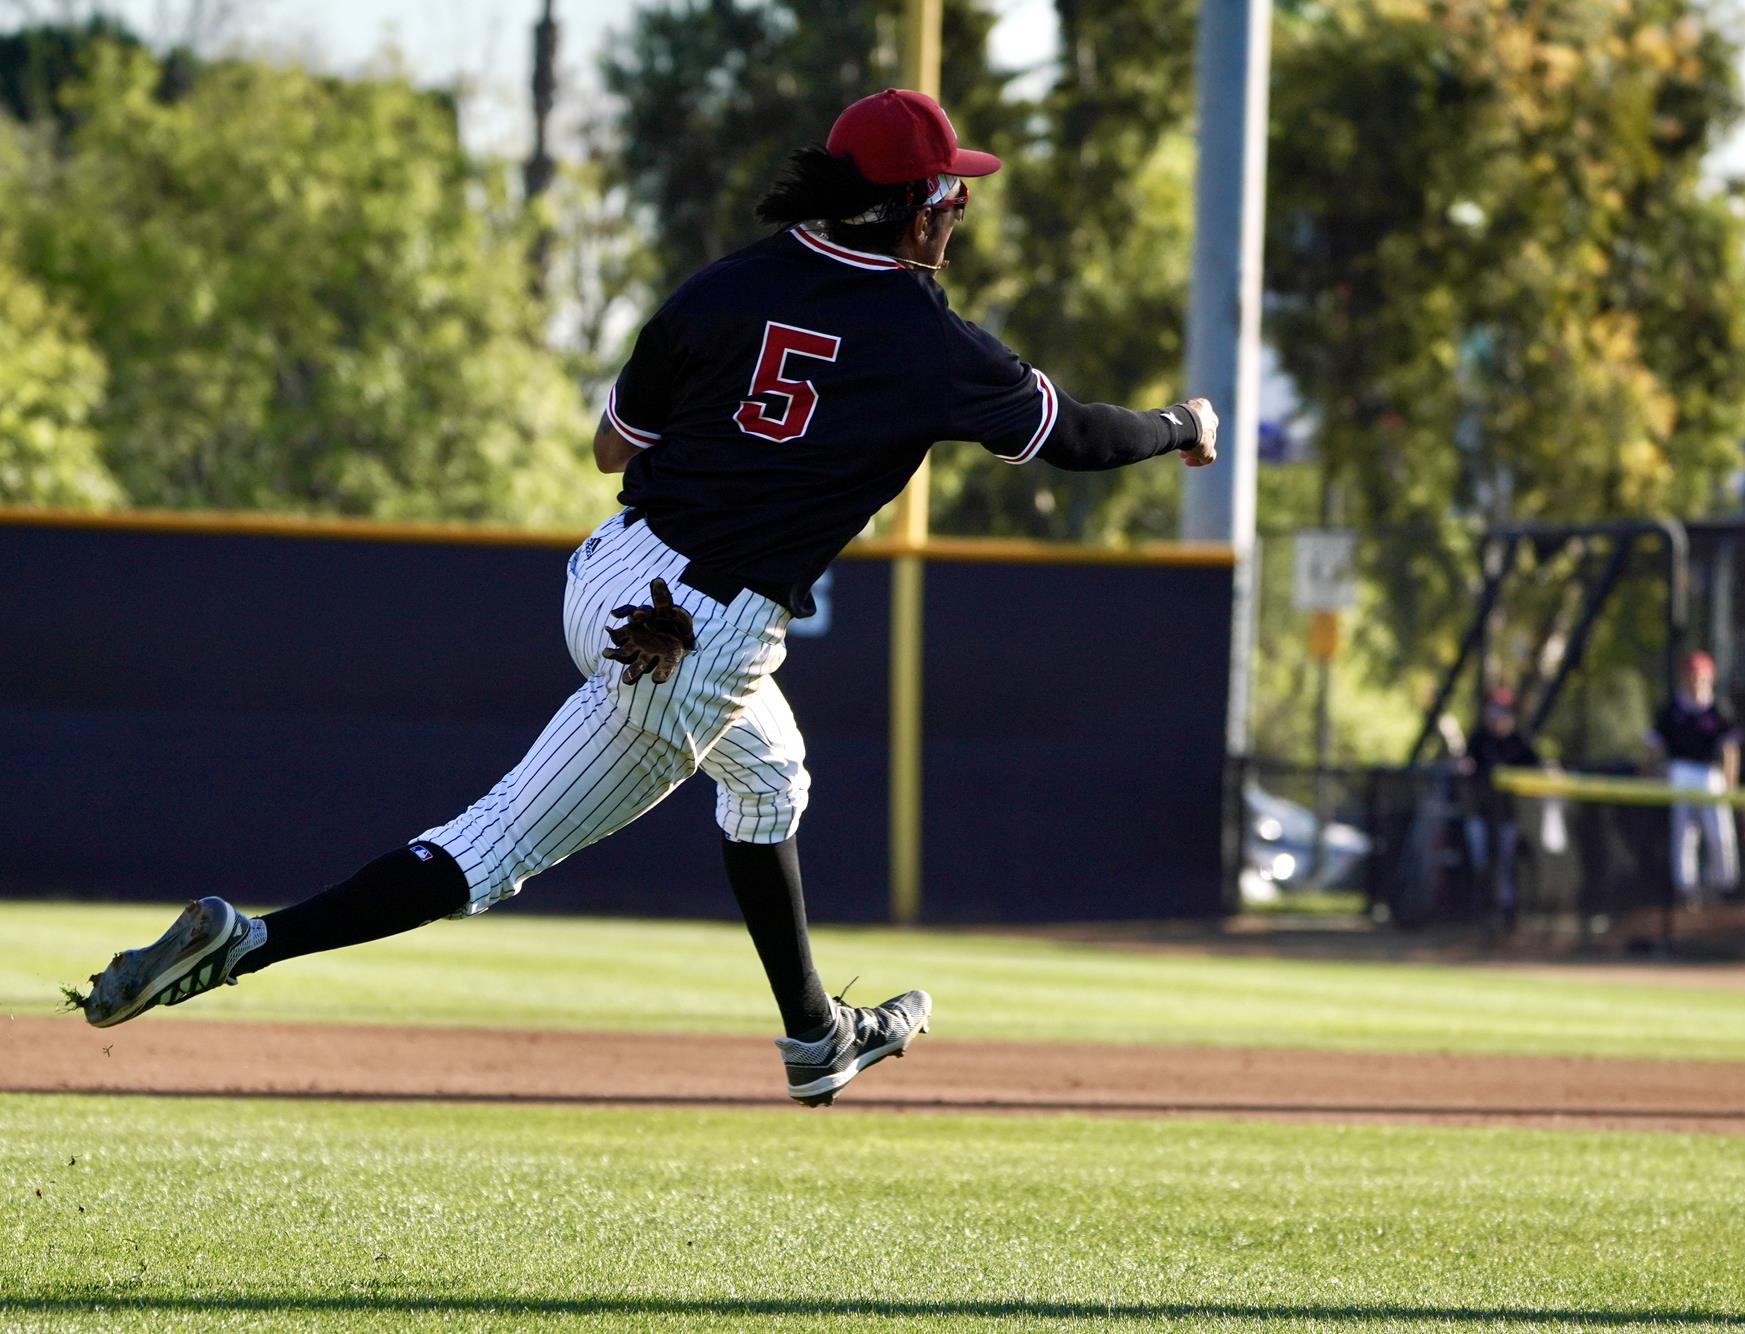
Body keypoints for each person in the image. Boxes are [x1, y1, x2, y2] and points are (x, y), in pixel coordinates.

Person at [73, 89, 1220, 1107]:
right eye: (950, 197)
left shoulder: (727, 283)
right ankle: (247, 940)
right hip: (691, 639)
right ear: (916, 208)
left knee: (772, 778)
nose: (957, 215)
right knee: (491, 848)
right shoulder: (927, 338)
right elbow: (1068, 437)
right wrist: (1179, 427)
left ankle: (816, 1034)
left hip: (610, 575)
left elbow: (612, 444)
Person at [1645, 650, 1741, 905]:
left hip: (1711, 775)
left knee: (1720, 834)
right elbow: (1653, 750)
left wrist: (1730, 785)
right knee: (1684, 836)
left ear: (1710, 677)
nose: (1696, 680)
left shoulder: (1719, 708)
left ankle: (1724, 887)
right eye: (1692, 676)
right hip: (1680, 773)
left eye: (1701, 676)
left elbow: (1730, 751)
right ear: (1685, 677)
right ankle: (1686, 891)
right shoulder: (1672, 709)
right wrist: (1648, 774)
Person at [1458, 686, 1540, 926]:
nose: (1495, 718)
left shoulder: (1518, 741)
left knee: (1506, 865)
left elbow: (1538, 765)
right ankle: (1478, 912)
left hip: (1509, 815)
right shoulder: (1479, 738)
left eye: (1501, 713)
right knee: (1481, 863)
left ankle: (1507, 915)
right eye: (1493, 712)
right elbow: (1466, 763)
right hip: (1480, 813)